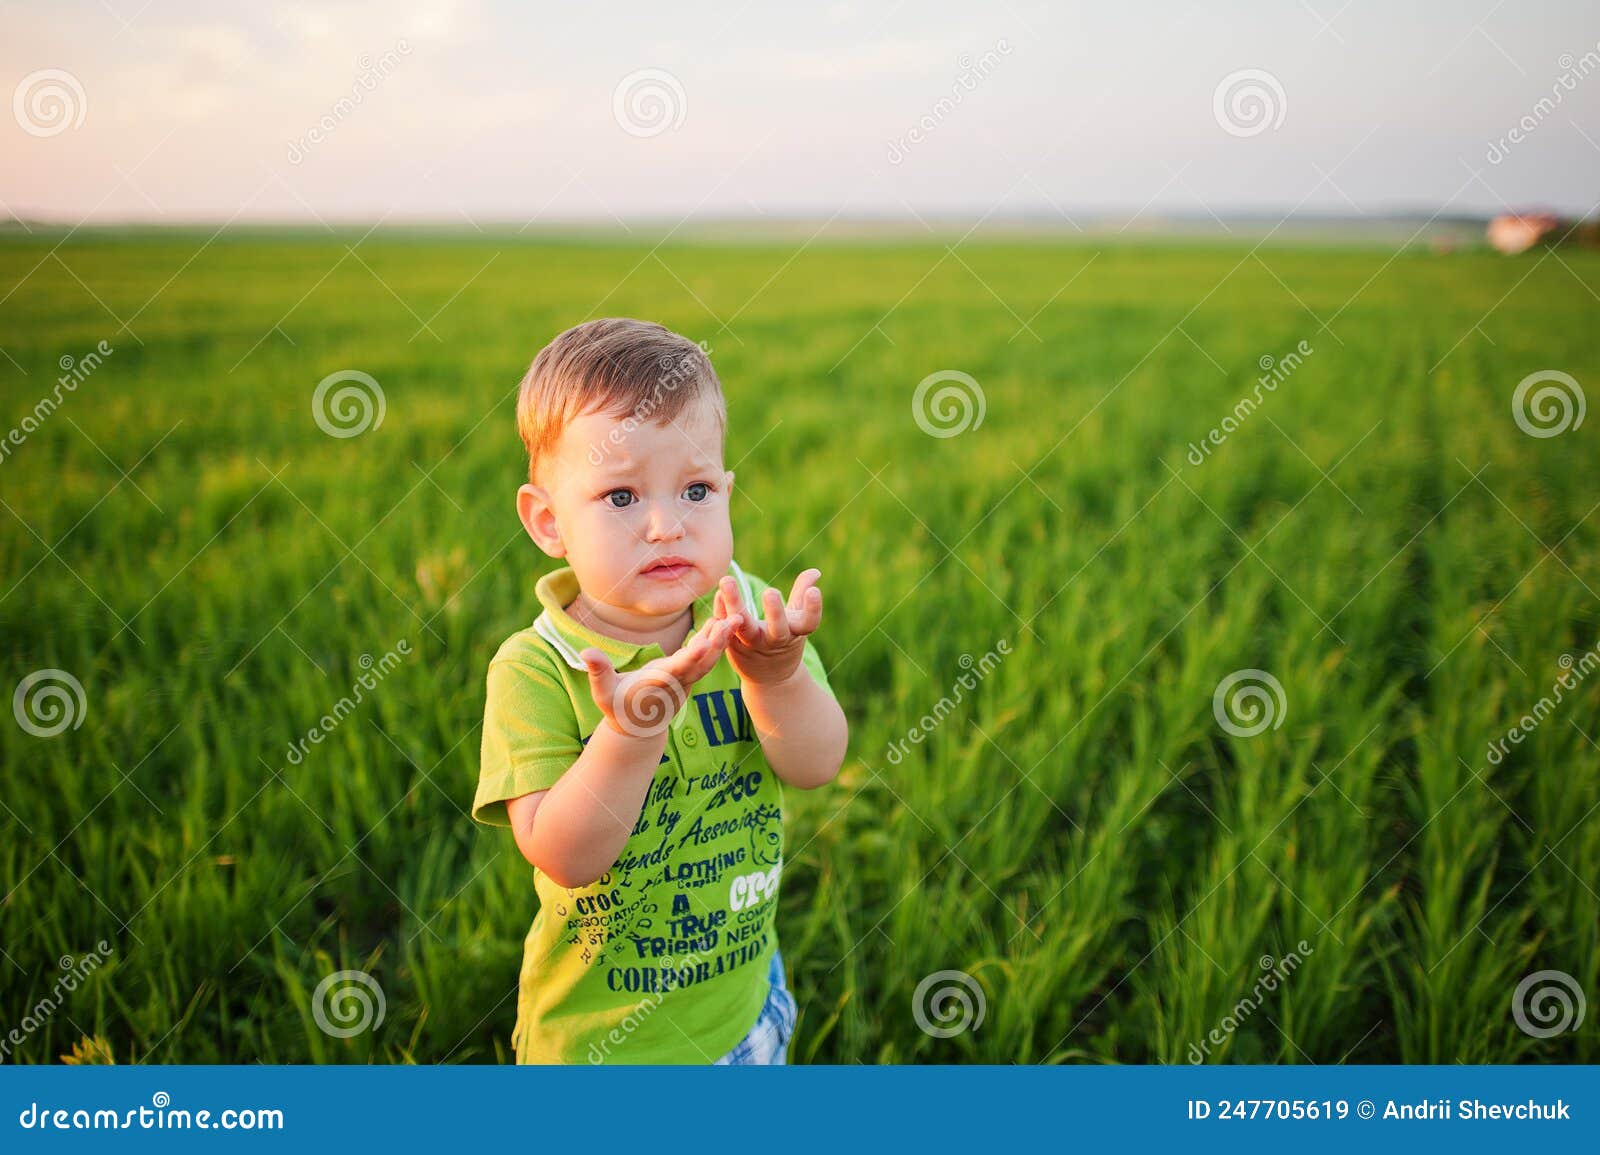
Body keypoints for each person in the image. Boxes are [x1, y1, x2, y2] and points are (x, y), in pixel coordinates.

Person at [472, 317, 849, 1064]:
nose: (666, 525)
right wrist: (632, 732)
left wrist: (776, 677)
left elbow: (816, 764)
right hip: (606, 1046)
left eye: (697, 489)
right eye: (619, 497)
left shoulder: (747, 614)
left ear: (728, 492)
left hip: (742, 1004)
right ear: (548, 521)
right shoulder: (537, 667)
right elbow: (564, 854)